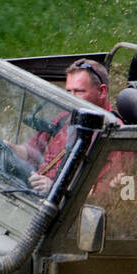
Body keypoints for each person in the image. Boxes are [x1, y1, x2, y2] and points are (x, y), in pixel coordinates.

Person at [19, 58, 120, 196]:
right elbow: (31, 151)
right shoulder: (65, 117)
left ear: (102, 92)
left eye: (79, 92)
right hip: (32, 196)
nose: (71, 100)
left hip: (64, 212)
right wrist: (5, 147)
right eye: (68, 92)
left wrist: (55, 188)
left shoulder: (114, 135)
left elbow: (102, 196)